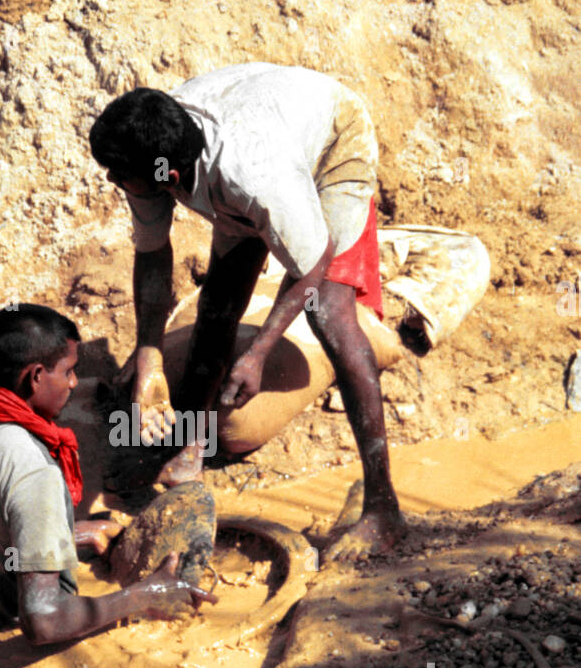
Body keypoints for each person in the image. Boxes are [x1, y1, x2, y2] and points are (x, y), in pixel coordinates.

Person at [89, 62, 407, 554]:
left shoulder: (251, 175)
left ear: (167, 177)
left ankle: (383, 507)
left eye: (118, 174)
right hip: (265, 131)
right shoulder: (150, 149)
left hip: (333, 141)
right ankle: (187, 450)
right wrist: (149, 353)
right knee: (216, 307)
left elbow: (314, 260)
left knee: (330, 315)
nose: (112, 179)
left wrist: (259, 352)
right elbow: (152, 256)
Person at [0, 303, 215, 646]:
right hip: (18, 624)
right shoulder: (35, 471)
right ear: (37, 375)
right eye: (69, 371)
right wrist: (146, 594)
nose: (74, 383)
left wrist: (75, 534)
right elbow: (43, 622)